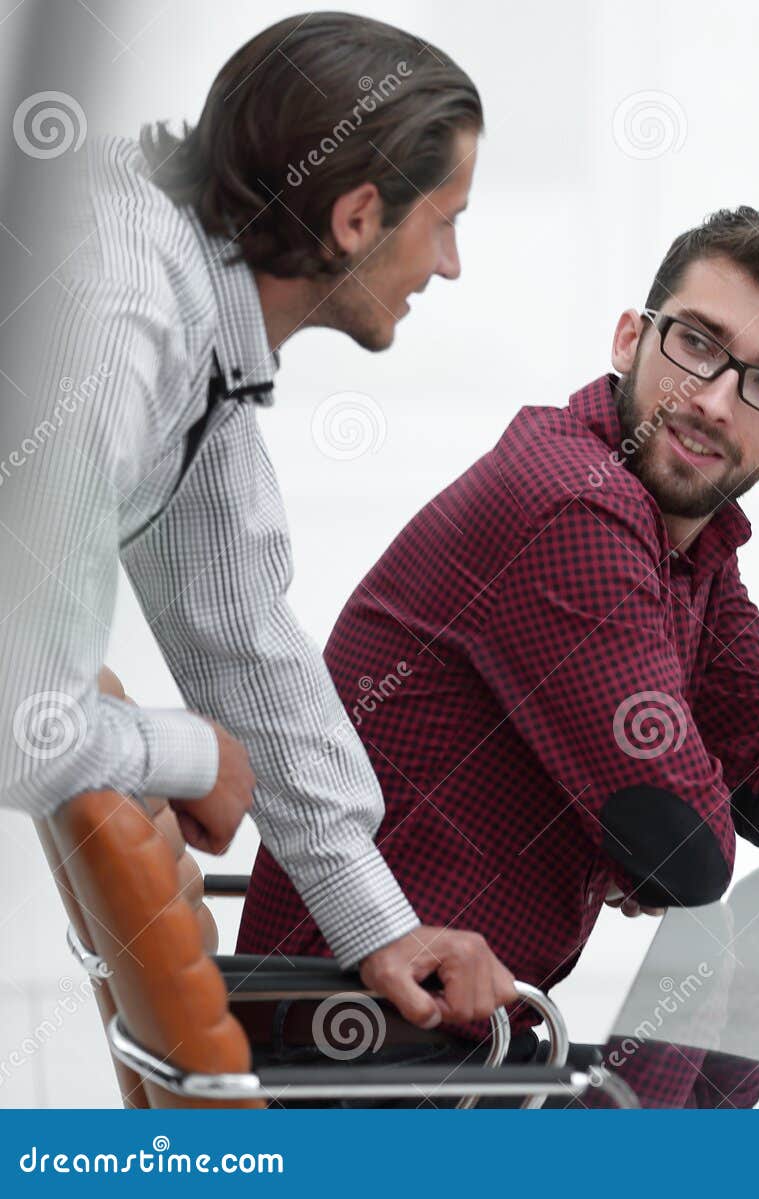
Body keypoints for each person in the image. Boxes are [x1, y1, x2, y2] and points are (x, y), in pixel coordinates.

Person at [238, 207, 759, 1040]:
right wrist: (644, 837)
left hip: (462, 1044)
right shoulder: (578, 503)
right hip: (365, 1063)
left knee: (757, 1047)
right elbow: (686, 855)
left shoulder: (688, 536)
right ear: (628, 340)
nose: (716, 403)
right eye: (697, 343)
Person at [0, 13, 515, 1030]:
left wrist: (380, 923)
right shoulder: (120, 324)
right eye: (444, 219)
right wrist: (191, 752)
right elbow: (24, 724)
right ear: (359, 216)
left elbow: (239, 628)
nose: (450, 264)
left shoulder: (191, 309)